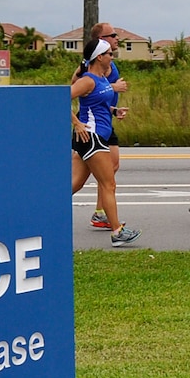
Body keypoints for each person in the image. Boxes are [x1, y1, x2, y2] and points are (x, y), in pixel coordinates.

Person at [72, 41, 138, 245]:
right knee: (108, 184)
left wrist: (114, 111)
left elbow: (98, 104)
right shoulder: (87, 80)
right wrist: (77, 123)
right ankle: (117, 231)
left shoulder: (101, 79)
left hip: (96, 137)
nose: (112, 56)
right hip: (92, 137)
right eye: (109, 53)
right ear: (99, 57)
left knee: (75, 184)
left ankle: (39, 211)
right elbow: (59, 99)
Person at [86, 23, 128, 231]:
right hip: (91, 128)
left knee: (112, 168)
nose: (116, 38)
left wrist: (114, 110)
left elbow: (99, 94)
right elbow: (83, 88)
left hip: (105, 121)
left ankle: (101, 213)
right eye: (112, 35)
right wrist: (114, 87)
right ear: (101, 41)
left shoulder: (109, 63)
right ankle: (114, 227)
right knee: (81, 180)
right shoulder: (89, 66)